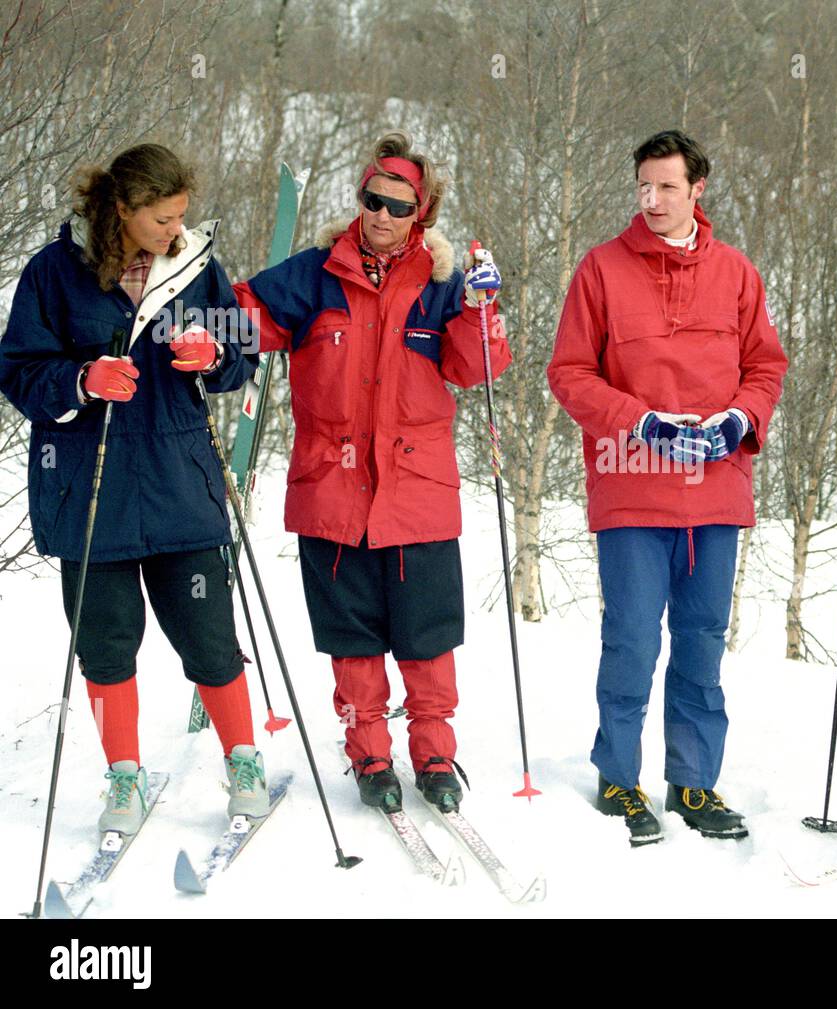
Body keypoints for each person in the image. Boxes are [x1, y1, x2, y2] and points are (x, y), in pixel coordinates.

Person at [233, 130, 509, 813]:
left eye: (398, 206)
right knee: (353, 641)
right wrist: (197, 320)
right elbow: (246, 315)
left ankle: (436, 754)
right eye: (371, 200)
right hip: (333, 493)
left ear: (424, 215)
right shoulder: (315, 274)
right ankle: (369, 757)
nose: (382, 215)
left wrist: (484, 312)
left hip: (417, 498)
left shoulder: (445, 287)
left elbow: (479, 369)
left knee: (426, 639)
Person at [0, 143, 271, 834]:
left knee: (210, 634)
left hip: (182, 484)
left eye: (183, 214)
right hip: (92, 493)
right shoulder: (53, 273)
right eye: (161, 216)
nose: (175, 228)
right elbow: (19, 370)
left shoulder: (198, 268)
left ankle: (243, 758)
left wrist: (215, 355)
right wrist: (81, 381)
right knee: (106, 641)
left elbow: (243, 353)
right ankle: (125, 776)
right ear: (121, 208)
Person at [548, 130, 787, 846]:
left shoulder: (737, 273)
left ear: (698, 189)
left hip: (715, 491)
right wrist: (640, 421)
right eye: (642, 187)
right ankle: (619, 775)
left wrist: (741, 418)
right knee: (629, 639)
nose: (651, 200)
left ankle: (693, 781)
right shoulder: (600, 270)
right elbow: (569, 374)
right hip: (631, 490)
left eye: (666, 188)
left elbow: (767, 367)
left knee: (702, 640)